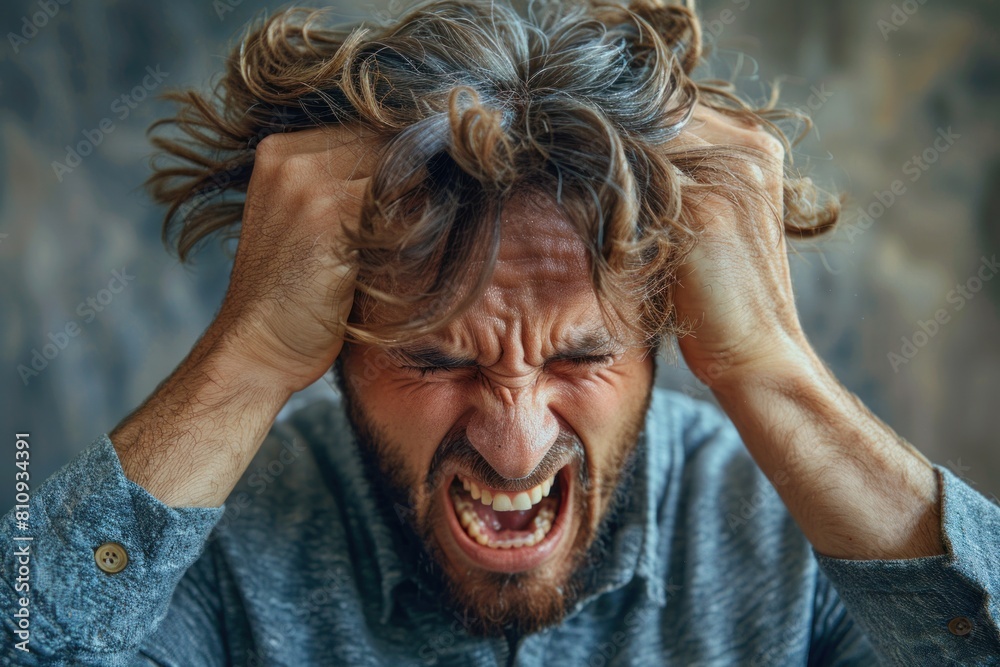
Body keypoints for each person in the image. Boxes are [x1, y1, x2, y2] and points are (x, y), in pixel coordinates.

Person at [3, 0, 998, 664]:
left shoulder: (797, 540)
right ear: (335, 351)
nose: (515, 440)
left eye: (582, 355)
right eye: (434, 357)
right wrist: (244, 360)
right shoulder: (211, 548)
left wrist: (772, 373)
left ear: (660, 330)